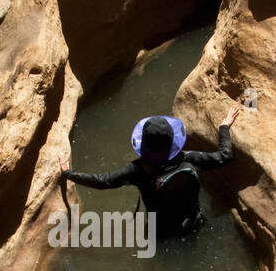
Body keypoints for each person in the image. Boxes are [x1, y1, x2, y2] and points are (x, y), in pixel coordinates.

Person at [58, 103, 240, 240]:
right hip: (192, 225)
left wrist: (68, 173)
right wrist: (224, 127)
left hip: (160, 232)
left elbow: (102, 181)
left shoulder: (137, 170)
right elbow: (225, 155)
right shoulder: (187, 158)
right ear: (172, 141)